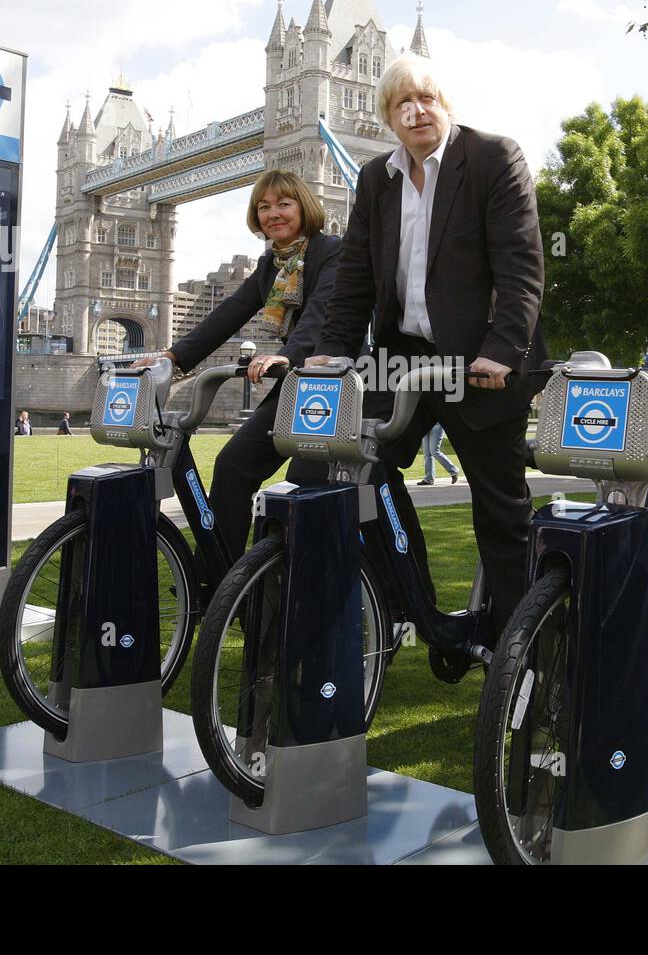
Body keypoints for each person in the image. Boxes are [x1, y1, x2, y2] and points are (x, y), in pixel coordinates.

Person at [306, 53, 547, 644]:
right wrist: (333, 351)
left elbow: (520, 267)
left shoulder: (493, 158)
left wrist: (502, 348)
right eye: (402, 103)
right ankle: (410, 609)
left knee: (500, 512)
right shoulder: (376, 179)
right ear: (389, 116)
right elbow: (356, 277)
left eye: (428, 99)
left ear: (447, 105)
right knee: (342, 468)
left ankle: (521, 651)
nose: (417, 111)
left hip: (479, 362)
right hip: (401, 359)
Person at [135, 170, 342, 559]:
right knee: (233, 465)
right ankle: (217, 578)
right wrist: (173, 357)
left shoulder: (331, 251)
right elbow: (227, 314)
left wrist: (287, 354)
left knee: (305, 484)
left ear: (305, 207)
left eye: (284, 203)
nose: (273, 214)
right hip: (299, 381)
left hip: (334, 384)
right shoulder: (272, 266)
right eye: (263, 207)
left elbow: (322, 314)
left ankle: (297, 592)